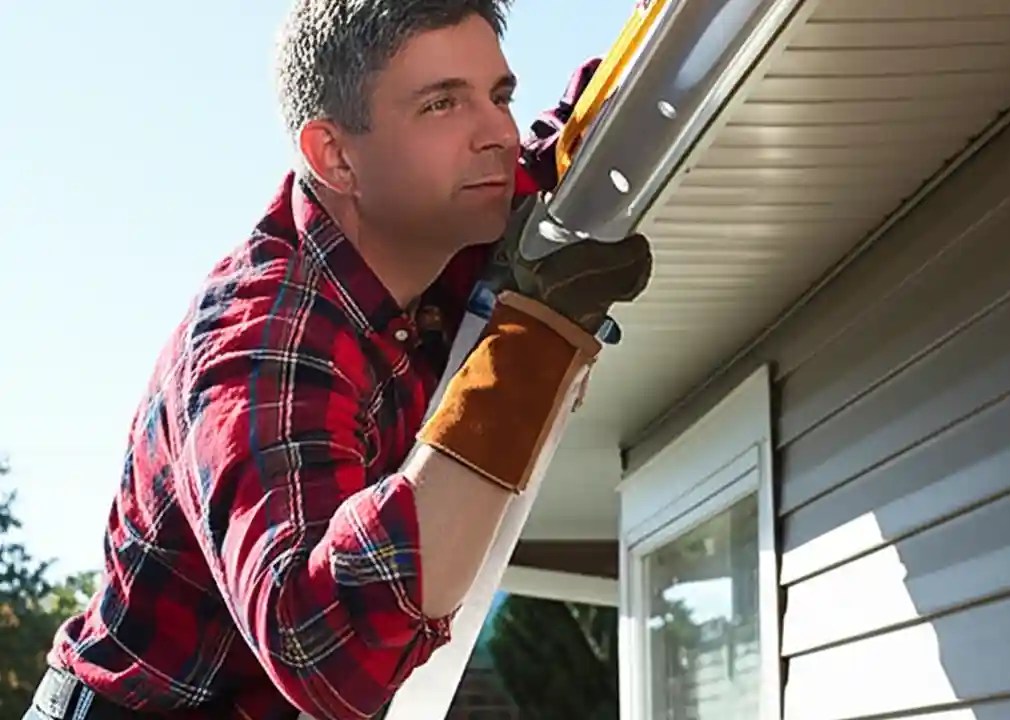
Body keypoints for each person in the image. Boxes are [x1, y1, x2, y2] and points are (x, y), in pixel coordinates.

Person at [25, 2, 650, 718]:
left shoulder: (439, 220)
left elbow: (580, 139)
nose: (498, 134)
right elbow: (327, 654)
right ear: (335, 156)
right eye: (442, 103)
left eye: (499, 96)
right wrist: (535, 344)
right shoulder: (266, 341)